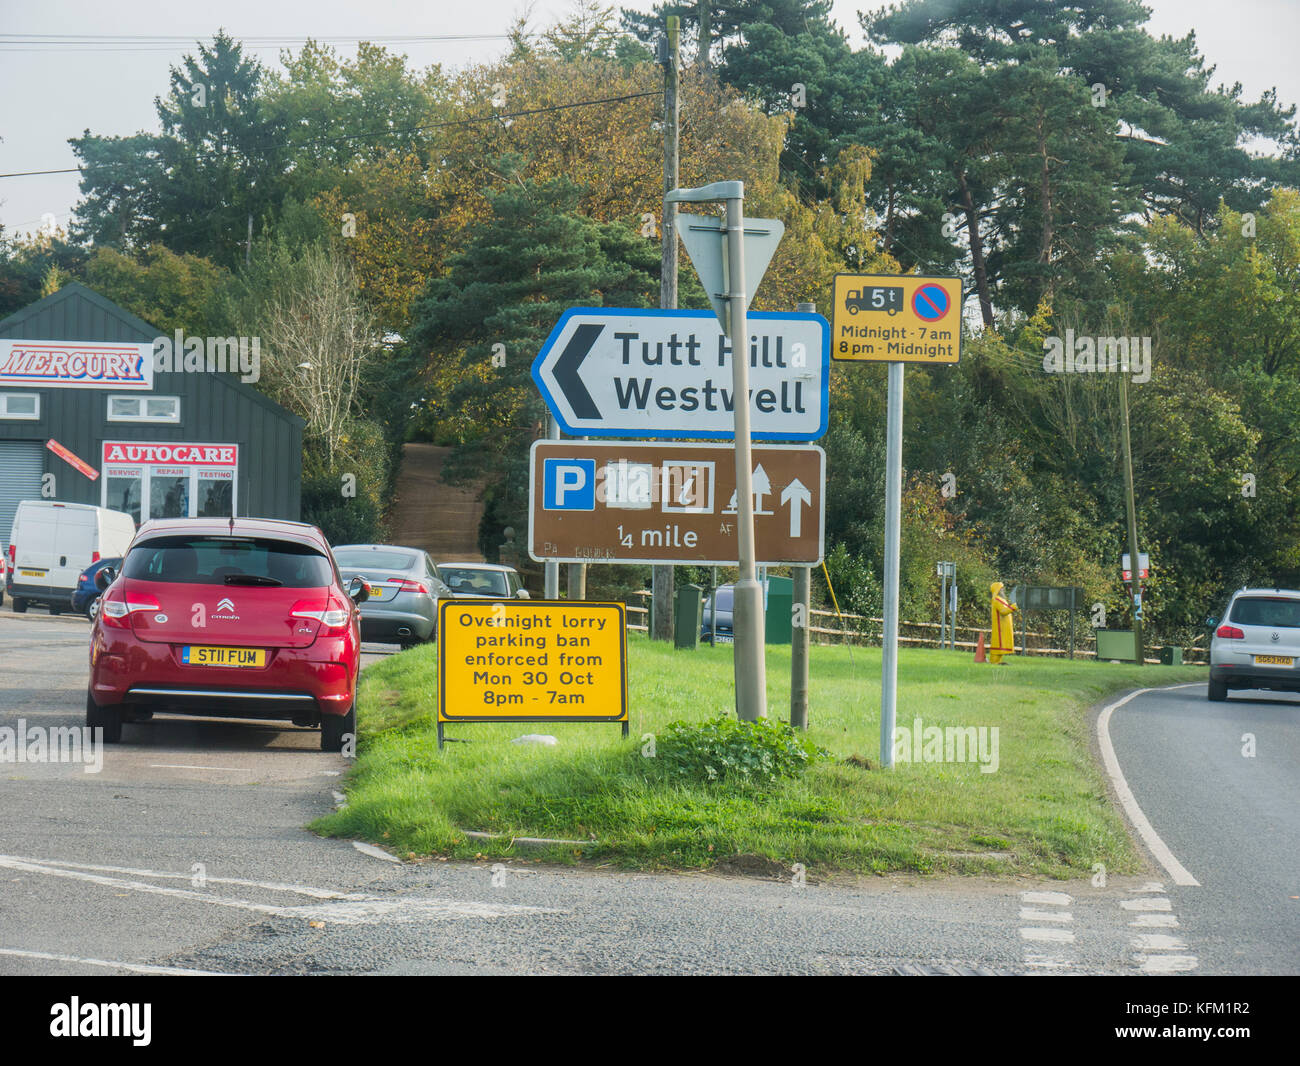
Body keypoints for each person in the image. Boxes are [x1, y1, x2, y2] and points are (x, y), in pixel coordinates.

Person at [989, 581, 1018, 664]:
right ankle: (994, 661)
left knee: (1001, 644)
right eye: (1001, 588)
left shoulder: (1001, 599)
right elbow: (1003, 611)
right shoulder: (996, 600)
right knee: (998, 643)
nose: (1003, 590)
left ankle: (998, 661)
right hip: (999, 627)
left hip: (1003, 626)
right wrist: (1014, 606)